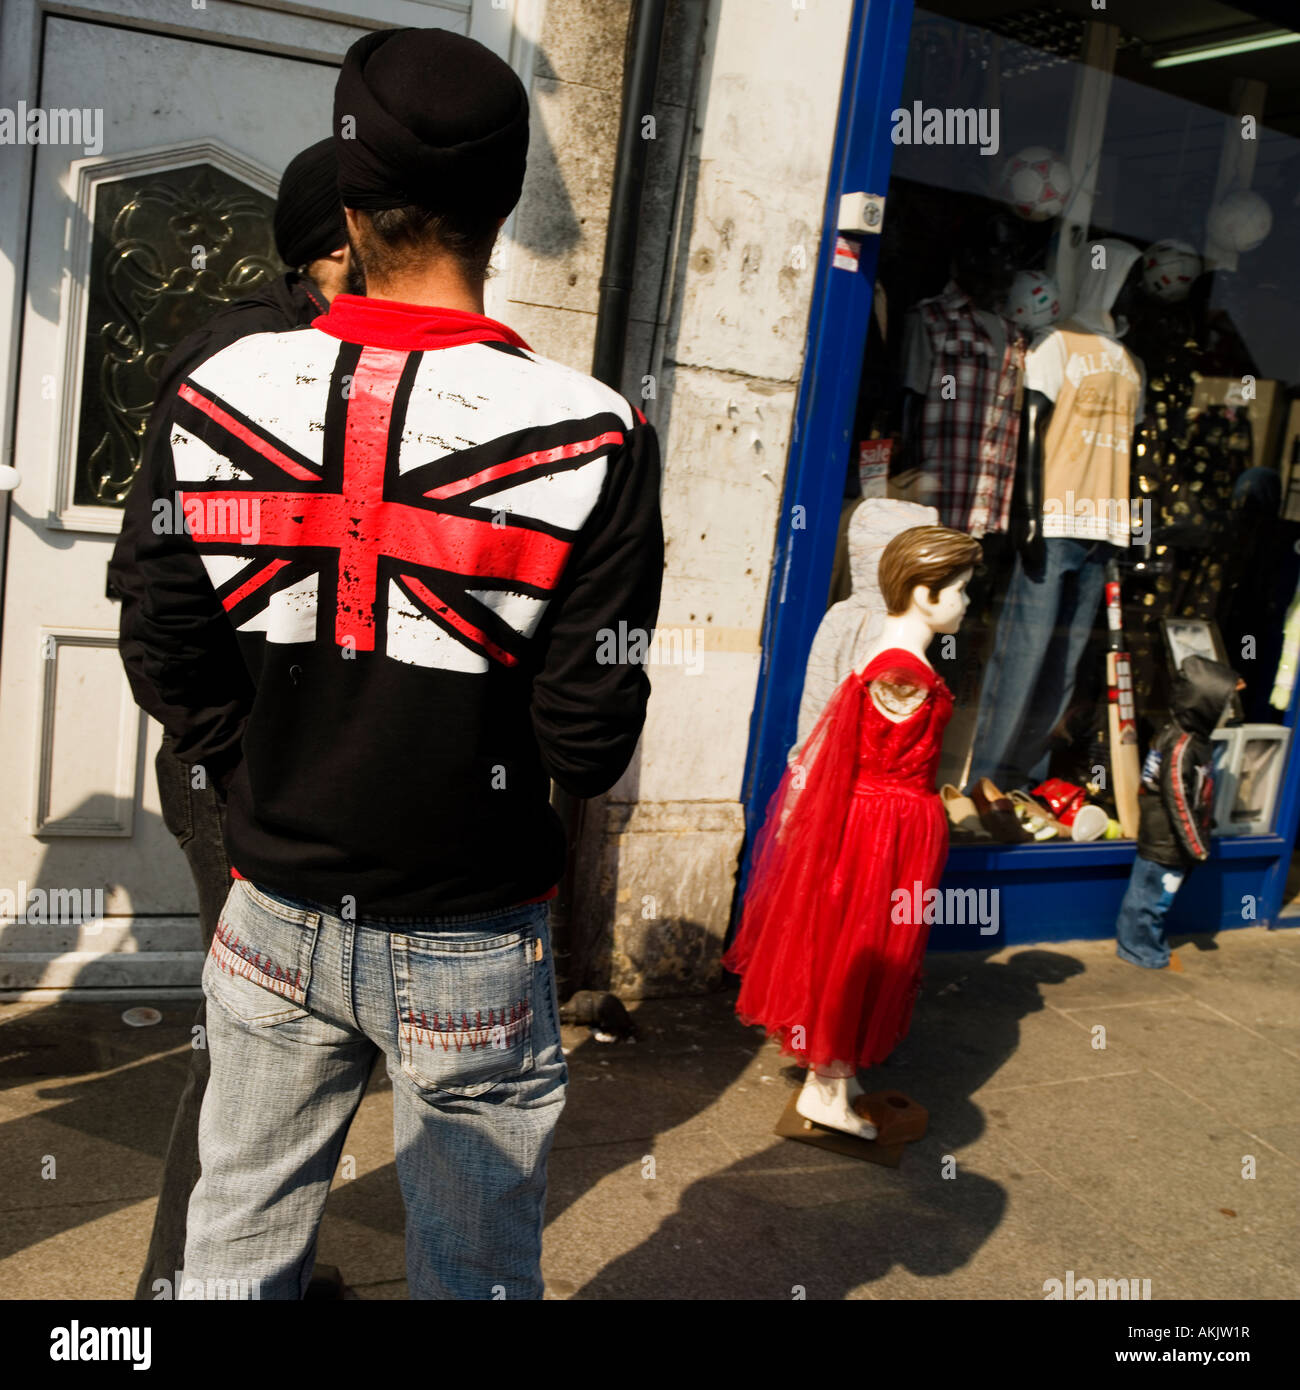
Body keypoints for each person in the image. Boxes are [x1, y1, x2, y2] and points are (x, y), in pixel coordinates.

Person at [120, 26, 664, 1300]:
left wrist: (249, 778)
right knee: (472, 1269)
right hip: (472, 924)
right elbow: (589, 737)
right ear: (507, 206)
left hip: (271, 900)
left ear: (349, 206)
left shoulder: (216, 390)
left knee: (234, 1242)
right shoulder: (595, 432)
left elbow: (162, 634)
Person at [107, 136, 350, 1301]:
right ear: (339, 252)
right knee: (247, 1043)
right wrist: (232, 758)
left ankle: (247, 1272)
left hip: (270, 760)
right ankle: (174, 1291)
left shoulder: (307, 345)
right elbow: (154, 601)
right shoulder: (251, 358)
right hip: (236, 769)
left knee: (263, 1039)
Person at [724, 526, 982, 1138]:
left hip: (875, 822)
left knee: (850, 942)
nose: (967, 602)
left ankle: (834, 1072)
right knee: (863, 947)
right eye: (962, 589)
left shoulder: (889, 658)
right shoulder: (904, 673)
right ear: (925, 592)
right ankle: (825, 1091)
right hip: (885, 831)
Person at [1114, 654, 1241, 970]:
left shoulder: (1193, 740)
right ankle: (1139, 949)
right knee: (1151, 899)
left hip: (1174, 839)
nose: (1227, 713)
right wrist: (1196, 844)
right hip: (1166, 839)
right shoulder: (1181, 744)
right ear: (1204, 705)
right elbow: (1179, 799)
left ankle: (1144, 944)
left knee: (1158, 896)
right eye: (1221, 705)